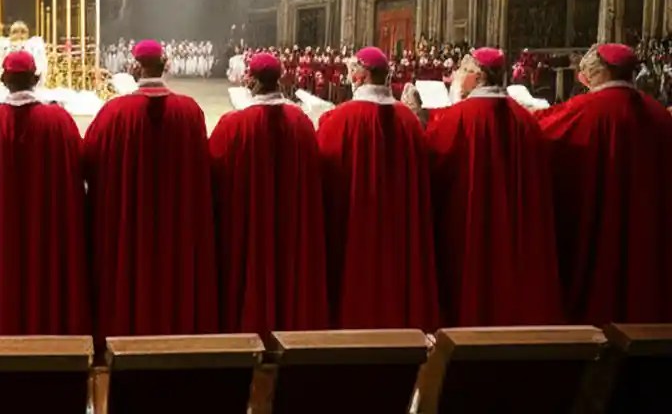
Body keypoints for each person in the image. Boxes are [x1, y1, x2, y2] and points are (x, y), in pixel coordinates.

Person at [84, 40, 217, 342]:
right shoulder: (190, 112)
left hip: (128, 223)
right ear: (166, 64)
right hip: (177, 223)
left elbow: (89, 162)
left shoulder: (113, 113)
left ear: (133, 67)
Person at [0, 50, 89, 336]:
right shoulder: (58, 122)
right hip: (46, 232)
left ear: (3, 79)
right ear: (36, 78)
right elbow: (81, 167)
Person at [426, 48, 561, 327]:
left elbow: (431, 175)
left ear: (475, 77)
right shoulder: (526, 121)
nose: (455, 78)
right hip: (516, 234)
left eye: (461, 72)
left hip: (466, 229)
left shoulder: (454, 119)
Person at [538, 43, 672, 324]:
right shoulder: (660, 115)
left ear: (600, 72)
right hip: (647, 226)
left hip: (596, 219)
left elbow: (542, 134)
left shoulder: (586, 109)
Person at [317, 46, 439, 330]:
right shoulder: (409, 121)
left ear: (360, 75)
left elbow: (324, 176)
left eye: (351, 69)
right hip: (399, 224)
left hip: (355, 223)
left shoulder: (338, 120)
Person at [210, 52, 327, 333]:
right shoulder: (301, 122)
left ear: (251, 81)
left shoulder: (233, 124)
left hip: (246, 220)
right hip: (290, 220)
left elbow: (212, 170)